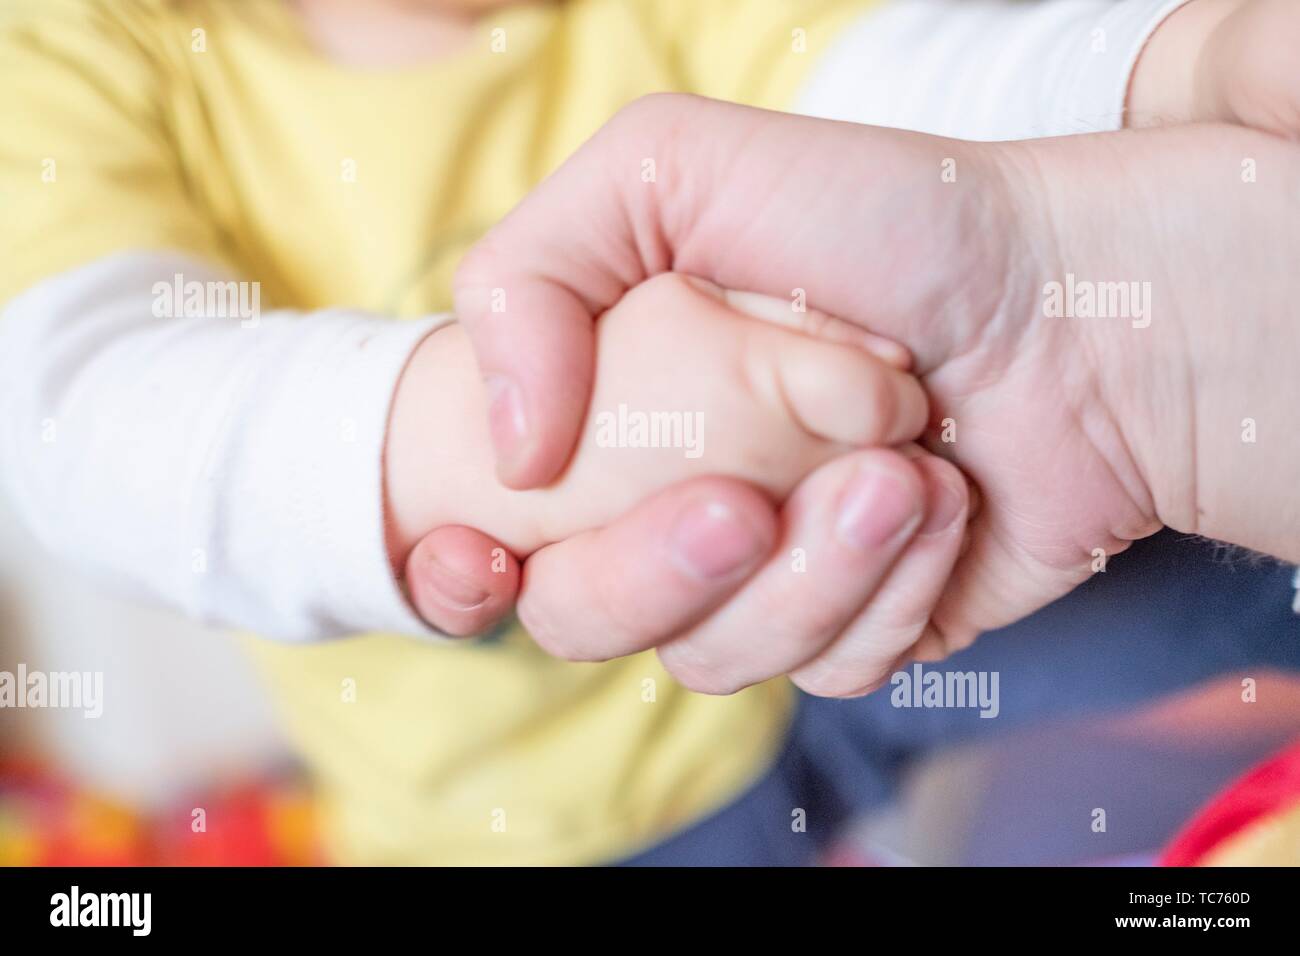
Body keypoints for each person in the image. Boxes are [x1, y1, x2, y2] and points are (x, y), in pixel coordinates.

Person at [2, 0, 1297, 866]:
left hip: (891, 570)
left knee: (1227, 572)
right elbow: (86, 408)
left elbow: (891, 72)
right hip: (542, 823)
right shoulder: (71, 47)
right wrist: (516, 439)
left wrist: (1167, 66)